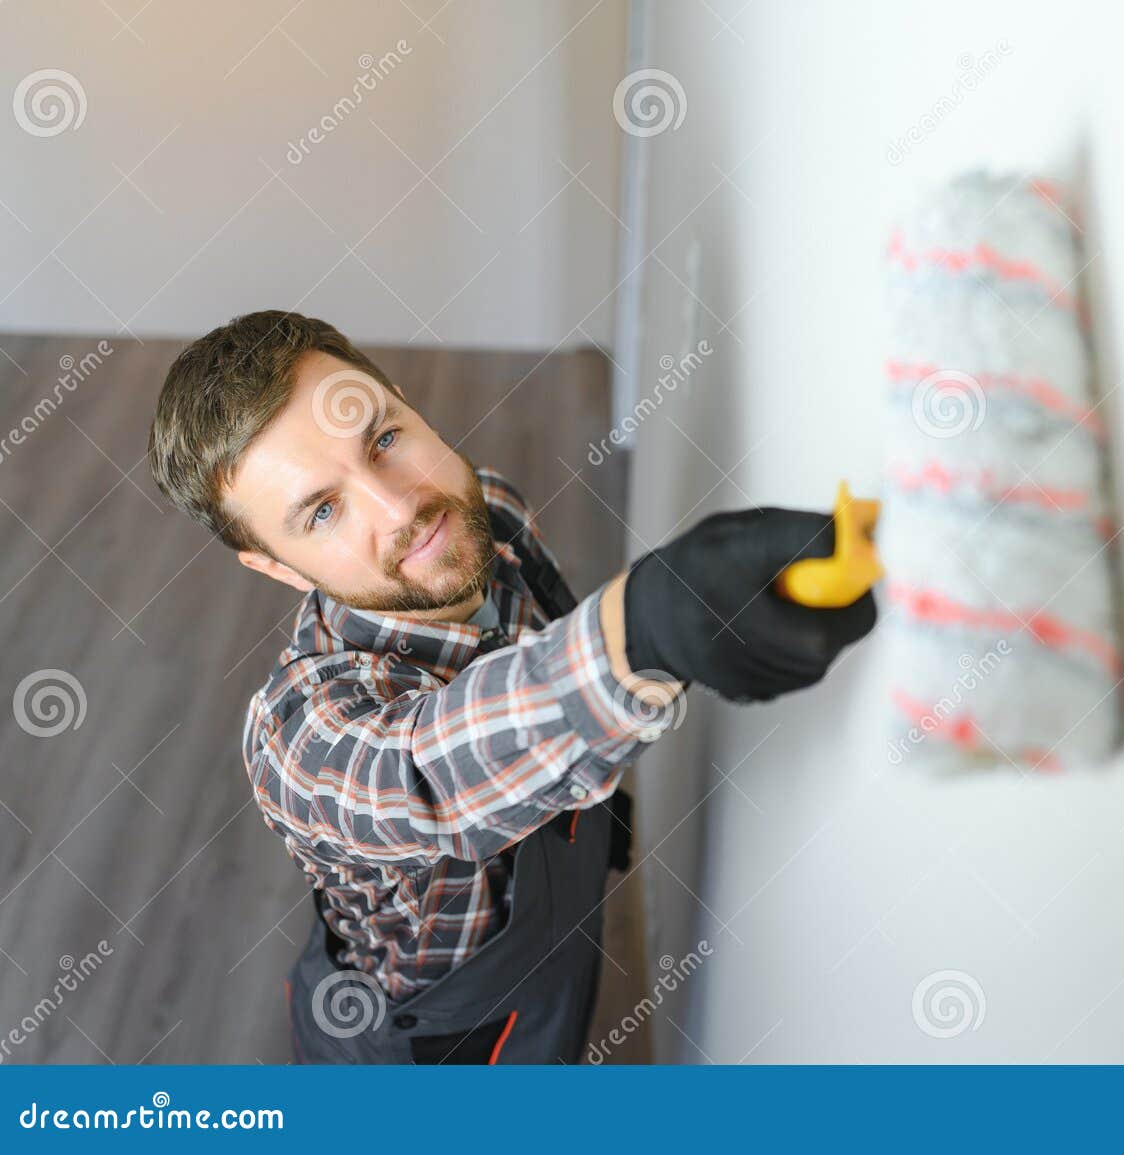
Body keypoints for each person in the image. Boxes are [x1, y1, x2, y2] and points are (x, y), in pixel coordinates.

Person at [146, 310, 876, 1064]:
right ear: (278, 567)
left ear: (404, 400)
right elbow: (428, 775)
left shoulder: (488, 513)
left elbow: (545, 670)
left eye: (386, 439)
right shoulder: (299, 739)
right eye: (323, 511)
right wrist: (643, 629)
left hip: (559, 959)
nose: (403, 508)